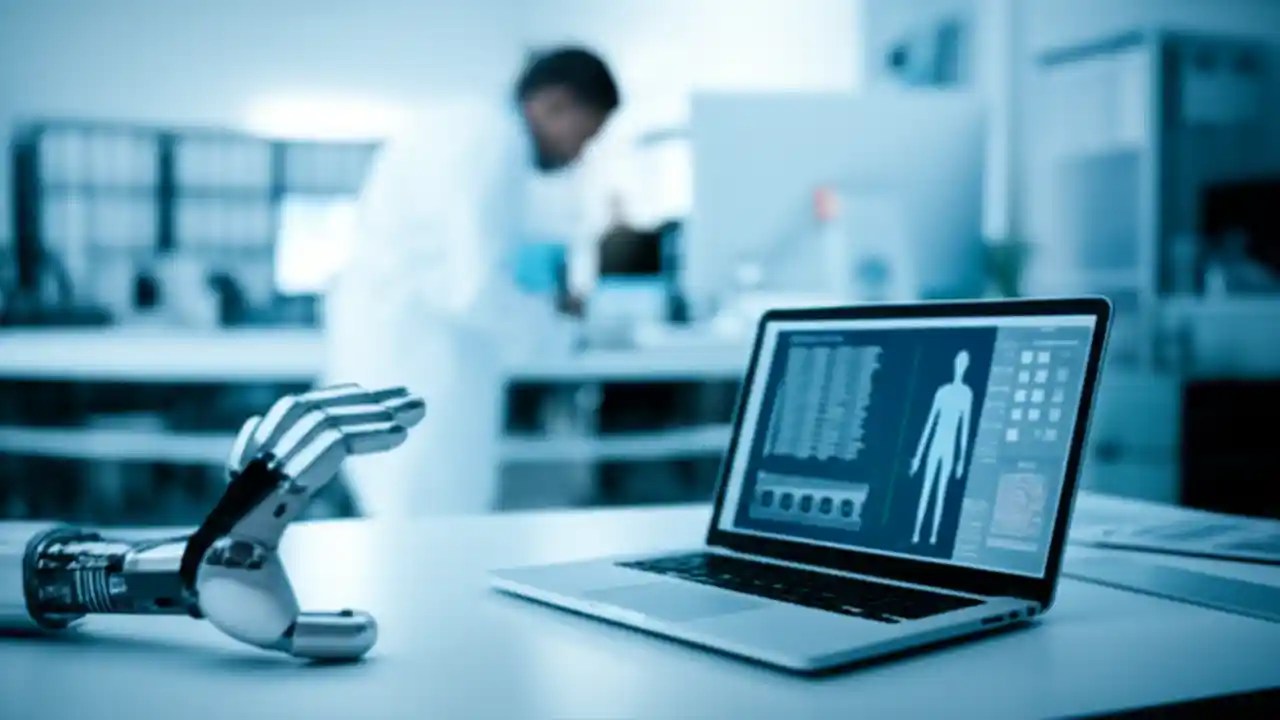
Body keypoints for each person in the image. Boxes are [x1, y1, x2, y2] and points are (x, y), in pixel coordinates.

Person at [324, 47, 620, 517]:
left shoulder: (461, 125)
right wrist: (561, 333)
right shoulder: (492, 141)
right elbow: (474, 290)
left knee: (407, 523)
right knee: (433, 530)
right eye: (583, 136)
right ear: (555, 103)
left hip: (398, 351)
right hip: (428, 367)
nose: (577, 154)